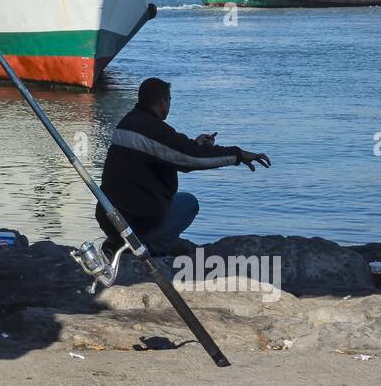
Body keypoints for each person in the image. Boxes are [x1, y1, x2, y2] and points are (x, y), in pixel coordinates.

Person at [96, 78, 270, 258]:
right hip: (136, 220)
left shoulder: (126, 124)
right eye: (169, 99)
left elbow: (164, 154)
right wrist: (238, 155)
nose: (169, 104)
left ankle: (118, 242)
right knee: (188, 203)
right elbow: (191, 159)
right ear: (163, 101)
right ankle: (150, 249)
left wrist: (195, 144)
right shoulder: (154, 129)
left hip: (110, 217)